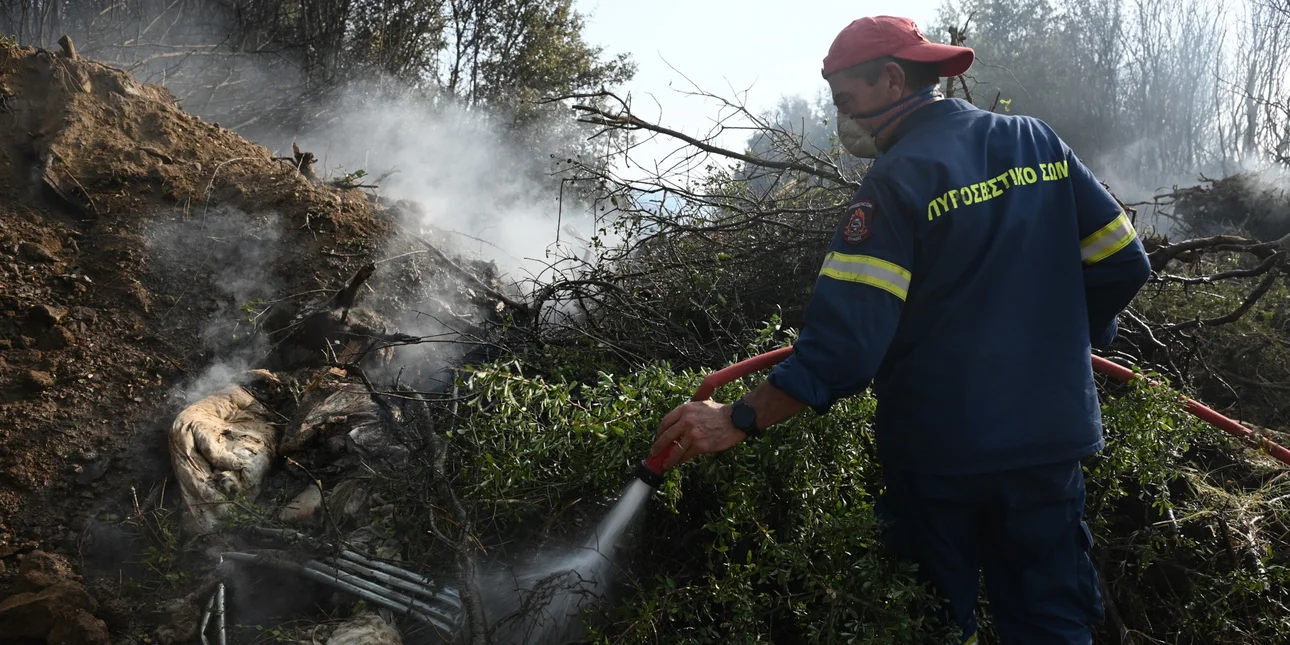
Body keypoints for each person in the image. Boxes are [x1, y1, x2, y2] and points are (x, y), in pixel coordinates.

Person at [648, 14, 1152, 645]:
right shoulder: (1036, 141)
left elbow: (847, 347)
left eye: (845, 101)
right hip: (1051, 442)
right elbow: (1124, 261)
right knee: (1052, 622)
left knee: (929, 620)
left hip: (944, 456)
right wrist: (1065, 339)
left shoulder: (897, 180)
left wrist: (739, 419)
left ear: (891, 79)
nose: (843, 120)